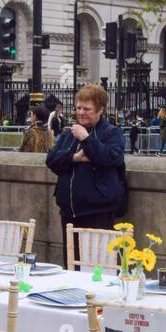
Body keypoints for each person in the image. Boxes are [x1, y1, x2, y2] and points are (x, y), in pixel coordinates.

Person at [46, 84, 128, 249]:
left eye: (87, 109)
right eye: (78, 108)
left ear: (100, 110)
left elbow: (110, 157)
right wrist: (74, 158)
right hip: (69, 211)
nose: (81, 113)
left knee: (98, 266)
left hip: (98, 211)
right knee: (71, 265)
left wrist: (86, 139)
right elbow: (51, 159)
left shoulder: (111, 133)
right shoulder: (69, 133)